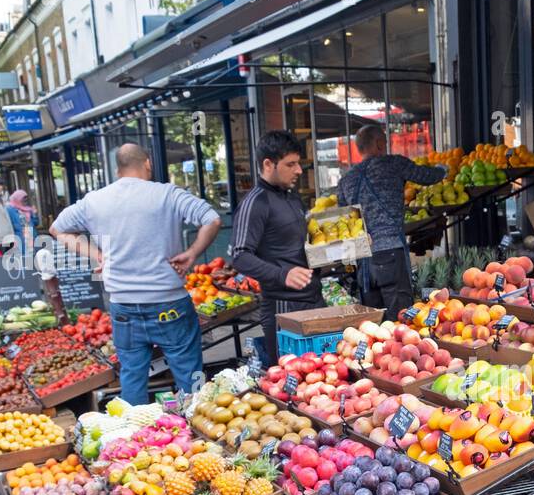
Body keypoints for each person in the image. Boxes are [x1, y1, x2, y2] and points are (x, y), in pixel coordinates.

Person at [51, 143, 222, 405]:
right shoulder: (167, 194)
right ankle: (197, 428)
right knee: (190, 375)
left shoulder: (95, 200)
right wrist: (192, 253)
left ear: (117, 170)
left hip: (123, 306)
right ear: (148, 163)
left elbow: (57, 228)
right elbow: (212, 219)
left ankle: (135, 437)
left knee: (132, 377)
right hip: (170, 303)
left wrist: (96, 254)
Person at [229, 130, 322, 364]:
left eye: (298, 164)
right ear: (268, 164)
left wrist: (348, 248)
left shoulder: (292, 198)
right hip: (283, 308)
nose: (299, 171)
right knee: (293, 385)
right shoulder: (255, 202)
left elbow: (298, 247)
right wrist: (282, 274)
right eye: (290, 164)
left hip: (314, 300)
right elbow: (239, 256)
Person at [338, 125, 447, 320]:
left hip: (364, 262)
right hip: (391, 255)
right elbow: (427, 176)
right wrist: (443, 169)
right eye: (385, 142)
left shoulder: (347, 180)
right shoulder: (393, 164)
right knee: (401, 320)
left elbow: (344, 218)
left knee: (374, 323)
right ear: (380, 144)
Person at [5, 189, 38, 270]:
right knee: (22, 259)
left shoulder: (28, 209)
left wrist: (34, 214)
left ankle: (31, 275)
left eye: (26, 199)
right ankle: (24, 276)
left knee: (32, 258)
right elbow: (9, 224)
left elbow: (35, 223)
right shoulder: (10, 210)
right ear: (16, 199)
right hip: (19, 238)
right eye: (23, 199)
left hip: (31, 237)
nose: (25, 201)